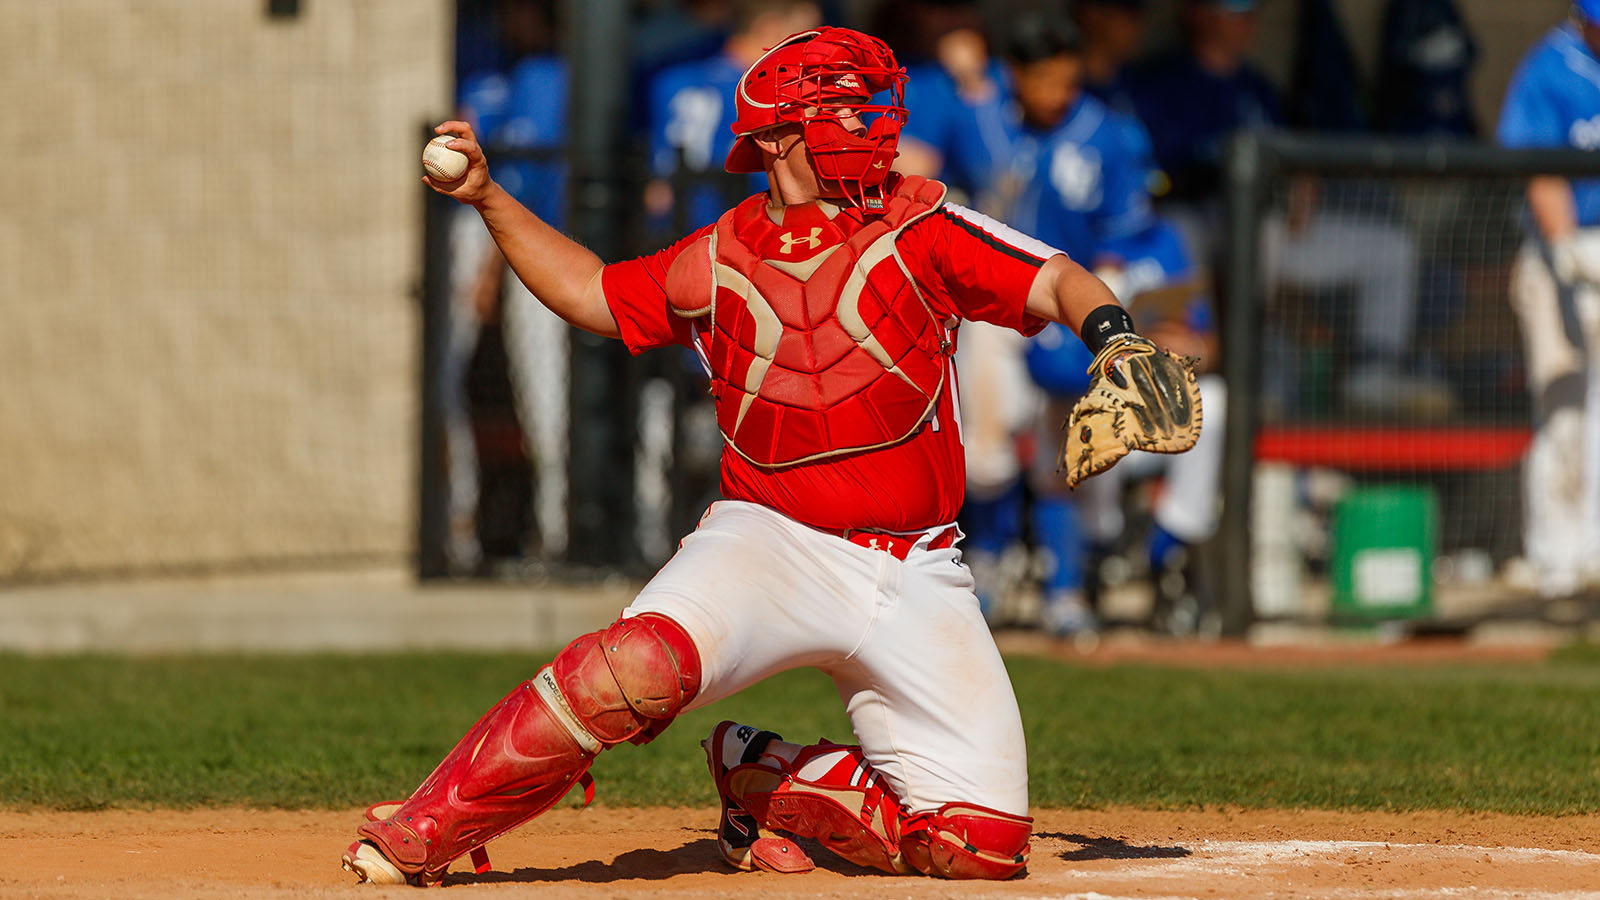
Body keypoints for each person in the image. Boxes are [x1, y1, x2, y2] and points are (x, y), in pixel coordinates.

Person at [340, 26, 1191, 885]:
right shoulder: (720, 253)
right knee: (633, 667)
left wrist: (1116, 341)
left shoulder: (920, 221)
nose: (868, 126)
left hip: (919, 566)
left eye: (868, 107)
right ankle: (421, 826)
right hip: (768, 541)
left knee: (981, 848)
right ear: (781, 132)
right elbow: (594, 294)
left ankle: (763, 773)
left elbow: (1053, 278)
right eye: (841, 110)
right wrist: (489, 197)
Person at [1497, 0, 1600, 599]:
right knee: (1564, 407)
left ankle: (1593, 553)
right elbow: (1540, 168)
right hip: (1560, 254)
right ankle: (1559, 567)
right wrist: (1564, 249)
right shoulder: (1549, 67)